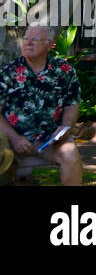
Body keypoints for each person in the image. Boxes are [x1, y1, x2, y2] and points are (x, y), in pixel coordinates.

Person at [0, 25, 82, 185]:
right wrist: (15, 138)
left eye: (35, 40)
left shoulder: (64, 71)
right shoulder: (9, 71)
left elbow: (72, 106)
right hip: (11, 139)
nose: (28, 43)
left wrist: (64, 128)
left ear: (50, 45)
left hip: (49, 139)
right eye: (26, 39)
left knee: (70, 154)